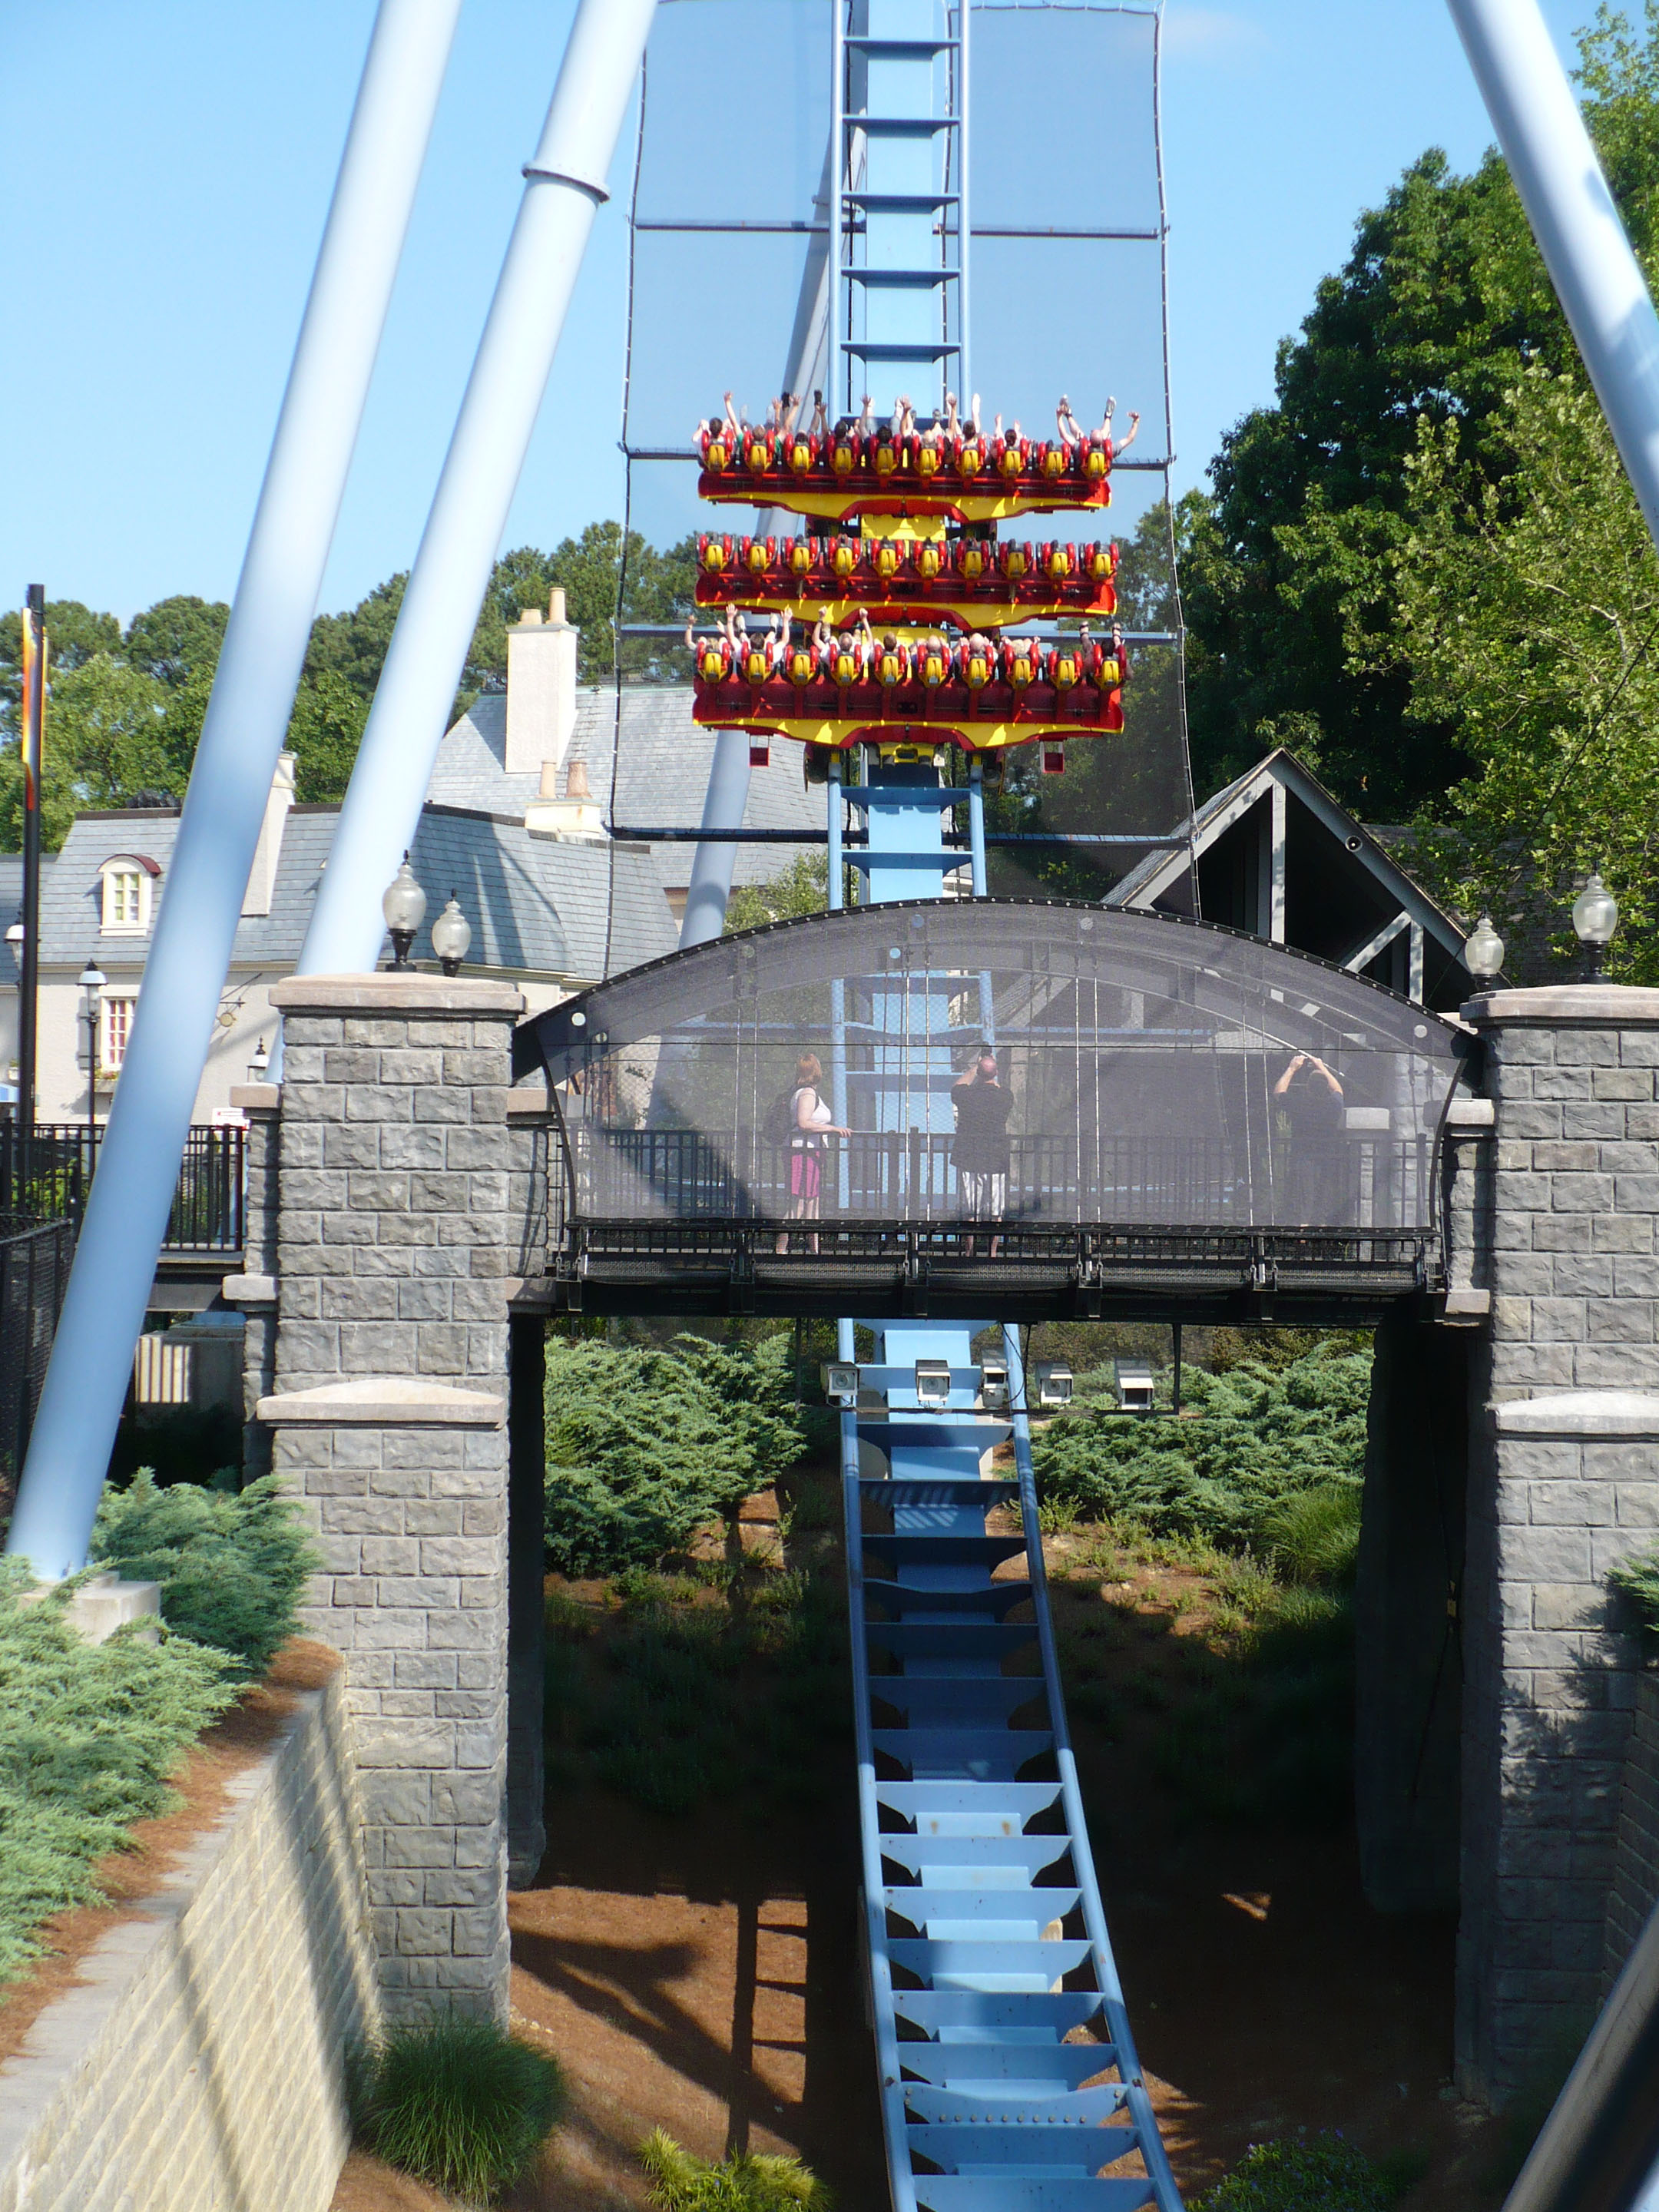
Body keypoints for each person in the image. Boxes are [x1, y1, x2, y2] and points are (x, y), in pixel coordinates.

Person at [777, 1053, 849, 1253]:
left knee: (812, 1202)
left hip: (810, 1152)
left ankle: (814, 1249)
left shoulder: (803, 1092)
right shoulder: (807, 1093)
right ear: (816, 1071)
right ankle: (780, 1250)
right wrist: (834, 1129)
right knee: (799, 1203)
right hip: (803, 1152)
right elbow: (804, 1123)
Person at [1273, 1051, 1347, 1224]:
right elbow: (1338, 1090)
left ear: (1308, 1087)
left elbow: (1279, 1092)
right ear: (1325, 1088)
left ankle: (1303, 1231)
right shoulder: (1333, 1105)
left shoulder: (1300, 1104)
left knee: (1303, 1200)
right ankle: (1321, 1230)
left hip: (1303, 1156)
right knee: (1324, 1198)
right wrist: (1322, 1067)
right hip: (1327, 1157)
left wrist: (1292, 1069)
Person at [953, 1045, 1013, 1257]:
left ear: (978, 1073)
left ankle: (969, 1251)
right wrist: (989, 1065)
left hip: (970, 1157)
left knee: (971, 1208)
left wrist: (976, 1065)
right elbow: (996, 1086)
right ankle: (993, 1252)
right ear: (996, 1073)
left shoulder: (967, 1095)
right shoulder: (1005, 1096)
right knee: (996, 1209)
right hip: (996, 1158)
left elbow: (958, 1086)